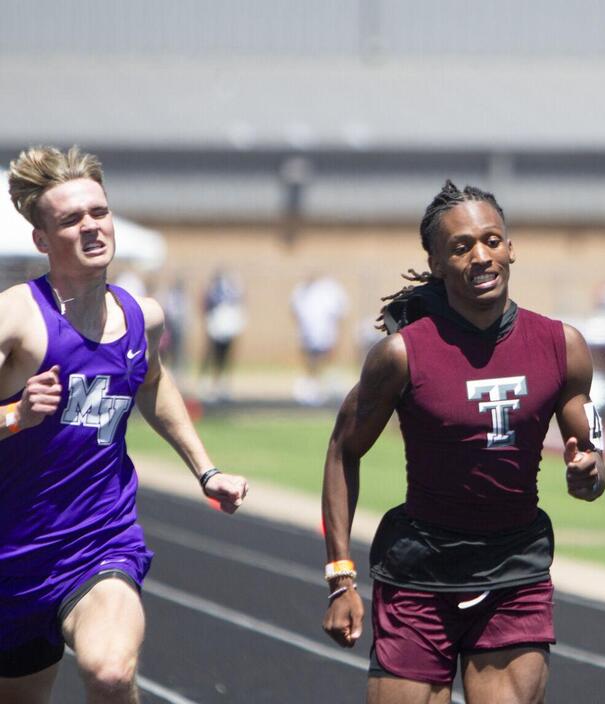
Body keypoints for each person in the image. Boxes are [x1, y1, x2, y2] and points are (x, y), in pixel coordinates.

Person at [320, 181, 605, 704]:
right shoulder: (401, 355)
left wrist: (588, 472)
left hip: (514, 569)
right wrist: (341, 577)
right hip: (418, 573)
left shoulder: (561, 347)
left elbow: (592, 473)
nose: (481, 256)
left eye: (492, 240)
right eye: (461, 246)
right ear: (435, 262)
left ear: (511, 247)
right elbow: (343, 451)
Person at [0, 145, 249, 704]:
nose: (91, 227)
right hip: (11, 558)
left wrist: (205, 471)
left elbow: (154, 384)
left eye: (98, 211)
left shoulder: (143, 317)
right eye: (70, 219)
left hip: (96, 541)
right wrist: (16, 415)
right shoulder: (16, 317)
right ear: (42, 240)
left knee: (110, 672)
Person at [290, 272, 348, 404]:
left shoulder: (329, 291)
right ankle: (312, 387)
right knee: (310, 360)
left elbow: (339, 315)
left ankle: (326, 386)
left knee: (326, 359)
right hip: (309, 333)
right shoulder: (302, 292)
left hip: (325, 333)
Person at [200, 268, 245, 401]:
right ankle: (209, 384)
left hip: (227, 328)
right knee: (213, 357)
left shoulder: (232, 291)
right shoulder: (214, 292)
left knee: (226, 358)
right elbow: (206, 305)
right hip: (216, 327)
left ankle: (222, 385)